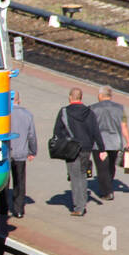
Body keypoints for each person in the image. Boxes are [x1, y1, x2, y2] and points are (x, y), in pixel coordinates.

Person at [53, 88, 103, 216]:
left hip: (71, 148)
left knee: (75, 177)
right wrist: (102, 149)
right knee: (82, 174)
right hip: (86, 148)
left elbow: (57, 131)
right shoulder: (89, 112)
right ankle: (83, 201)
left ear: (70, 97)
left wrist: (59, 144)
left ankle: (79, 207)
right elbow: (96, 131)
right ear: (81, 97)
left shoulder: (64, 111)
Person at [89, 85, 129, 200]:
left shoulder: (92, 108)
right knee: (110, 166)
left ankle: (107, 192)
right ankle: (108, 184)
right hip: (115, 142)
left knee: (102, 168)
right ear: (110, 96)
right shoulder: (120, 108)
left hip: (99, 143)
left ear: (100, 95)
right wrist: (128, 141)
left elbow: (89, 126)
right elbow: (124, 126)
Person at [8, 90, 37, 217]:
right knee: (19, 181)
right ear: (19, 100)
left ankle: (3, 208)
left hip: (6, 153)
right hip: (21, 152)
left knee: (4, 182)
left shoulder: (4, 114)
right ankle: (19, 209)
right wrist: (32, 151)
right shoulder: (27, 115)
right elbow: (32, 135)